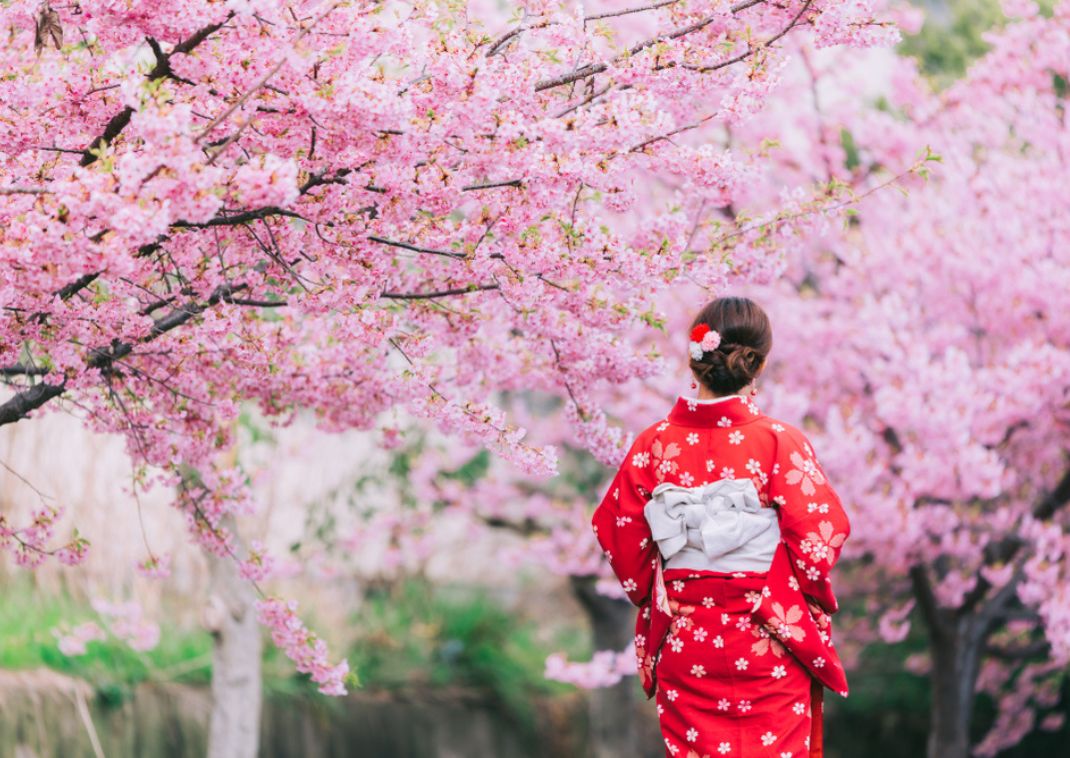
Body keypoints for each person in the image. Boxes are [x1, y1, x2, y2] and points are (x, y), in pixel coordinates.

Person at [590, 296, 851, 758]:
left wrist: (673, 586)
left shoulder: (654, 444)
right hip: (767, 634)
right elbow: (818, 536)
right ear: (759, 363)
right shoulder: (779, 442)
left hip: (689, 642)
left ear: (695, 360)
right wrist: (782, 592)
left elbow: (619, 532)